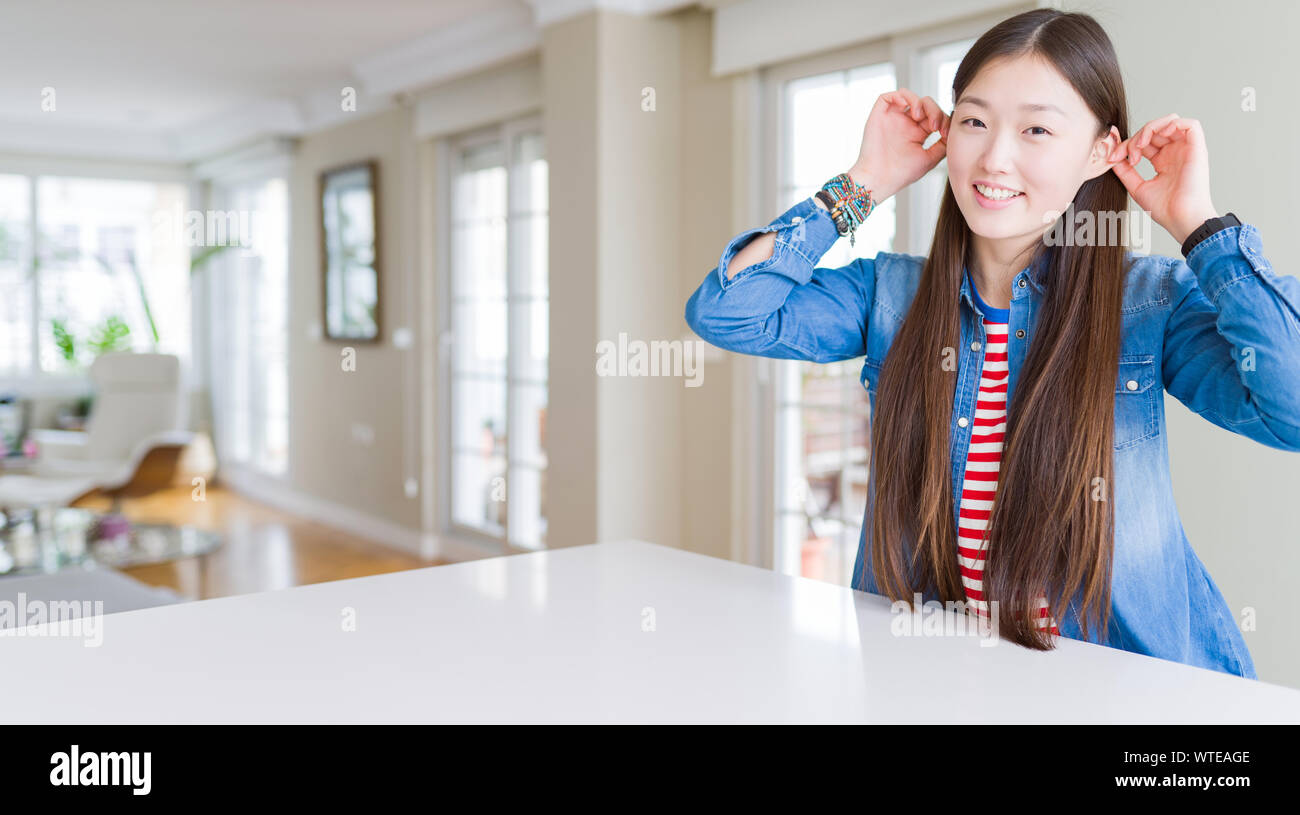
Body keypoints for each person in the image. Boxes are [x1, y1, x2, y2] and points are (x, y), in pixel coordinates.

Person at [684, 8, 1300, 679]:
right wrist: (863, 185)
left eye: (1036, 128)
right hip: (947, 689)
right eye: (974, 121)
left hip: (1137, 695)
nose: (994, 157)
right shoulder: (890, 295)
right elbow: (727, 310)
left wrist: (1201, 227)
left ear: (1099, 151)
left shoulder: (1148, 300)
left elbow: (1290, 406)